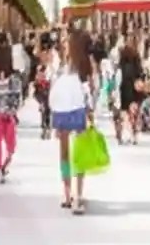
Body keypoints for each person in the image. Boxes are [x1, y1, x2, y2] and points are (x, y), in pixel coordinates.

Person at [50, 29, 96, 214]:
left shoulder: (75, 65)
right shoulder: (65, 64)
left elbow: (89, 90)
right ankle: (71, 194)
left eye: (67, 42)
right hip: (69, 110)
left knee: (73, 154)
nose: (64, 44)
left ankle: (74, 195)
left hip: (71, 110)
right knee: (68, 154)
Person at [0, 34, 22, 184]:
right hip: (7, 113)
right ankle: (3, 166)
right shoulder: (14, 79)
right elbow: (17, 98)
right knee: (11, 144)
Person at [117, 36, 144, 145]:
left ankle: (128, 134)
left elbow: (120, 71)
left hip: (125, 86)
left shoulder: (123, 57)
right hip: (134, 87)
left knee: (126, 113)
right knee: (134, 112)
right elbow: (140, 72)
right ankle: (134, 134)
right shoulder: (136, 56)